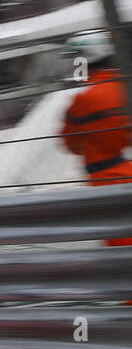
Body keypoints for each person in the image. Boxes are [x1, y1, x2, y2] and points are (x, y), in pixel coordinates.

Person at [60, 32, 132, 246]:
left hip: (106, 176)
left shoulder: (83, 99)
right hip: (124, 166)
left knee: (121, 242)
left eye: (77, 60)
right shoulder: (124, 87)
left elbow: (70, 143)